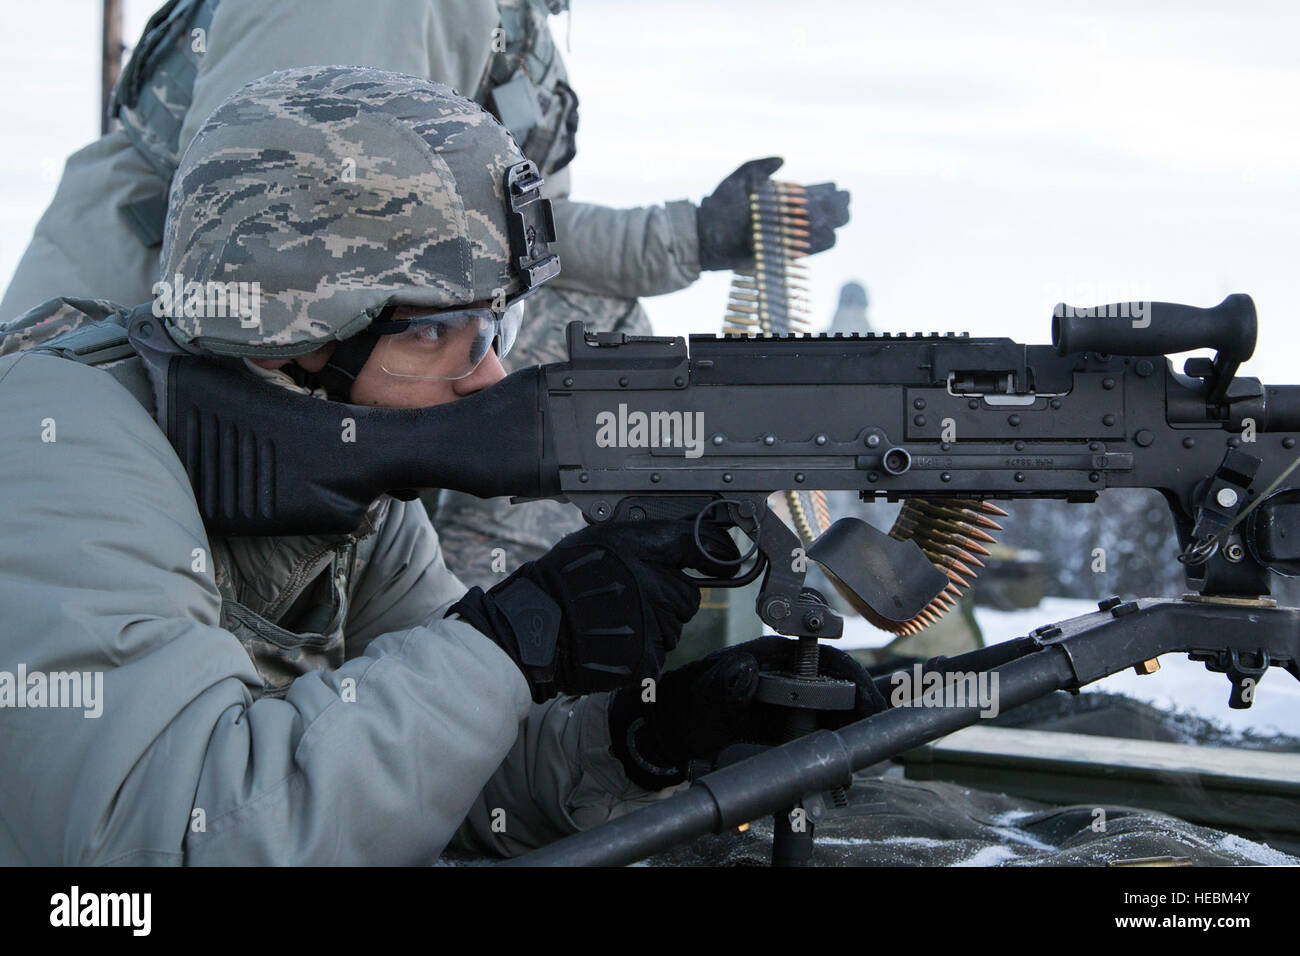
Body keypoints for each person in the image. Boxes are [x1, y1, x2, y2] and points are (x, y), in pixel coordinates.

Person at [0, 66, 887, 865]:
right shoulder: (56, 441)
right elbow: (180, 837)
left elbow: (457, 789)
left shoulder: (346, 477)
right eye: (433, 331)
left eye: (492, 328)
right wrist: (512, 638)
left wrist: (645, 735)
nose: (491, 376)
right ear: (296, 338)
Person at [0, 0, 851, 591]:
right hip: (154, 381)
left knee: (590, 331)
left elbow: (499, 237)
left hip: (228, 362)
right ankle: (477, 641)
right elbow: (277, 218)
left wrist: (691, 235)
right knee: (583, 364)